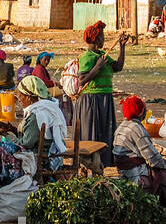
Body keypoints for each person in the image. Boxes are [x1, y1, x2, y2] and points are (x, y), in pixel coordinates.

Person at [75, 20, 126, 169]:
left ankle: (101, 164)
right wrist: (97, 67)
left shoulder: (104, 55)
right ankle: (87, 164)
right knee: (91, 134)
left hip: (105, 99)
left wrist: (122, 48)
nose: (104, 40)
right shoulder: (87, 57)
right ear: (96, 39)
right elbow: (81, 80)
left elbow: (118, 67)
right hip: (91, 100)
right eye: (103, 37)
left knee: (104, 133)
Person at [14, 75, 67, 172]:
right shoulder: (47, 107)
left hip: (42, 158)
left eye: (20, 95)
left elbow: (27, 143)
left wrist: (8, 137)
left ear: (28, 97)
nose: (19, 99)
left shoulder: (36, 114)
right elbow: (31, 134)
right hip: (50, 153)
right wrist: (11, 129)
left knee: (3, 147)